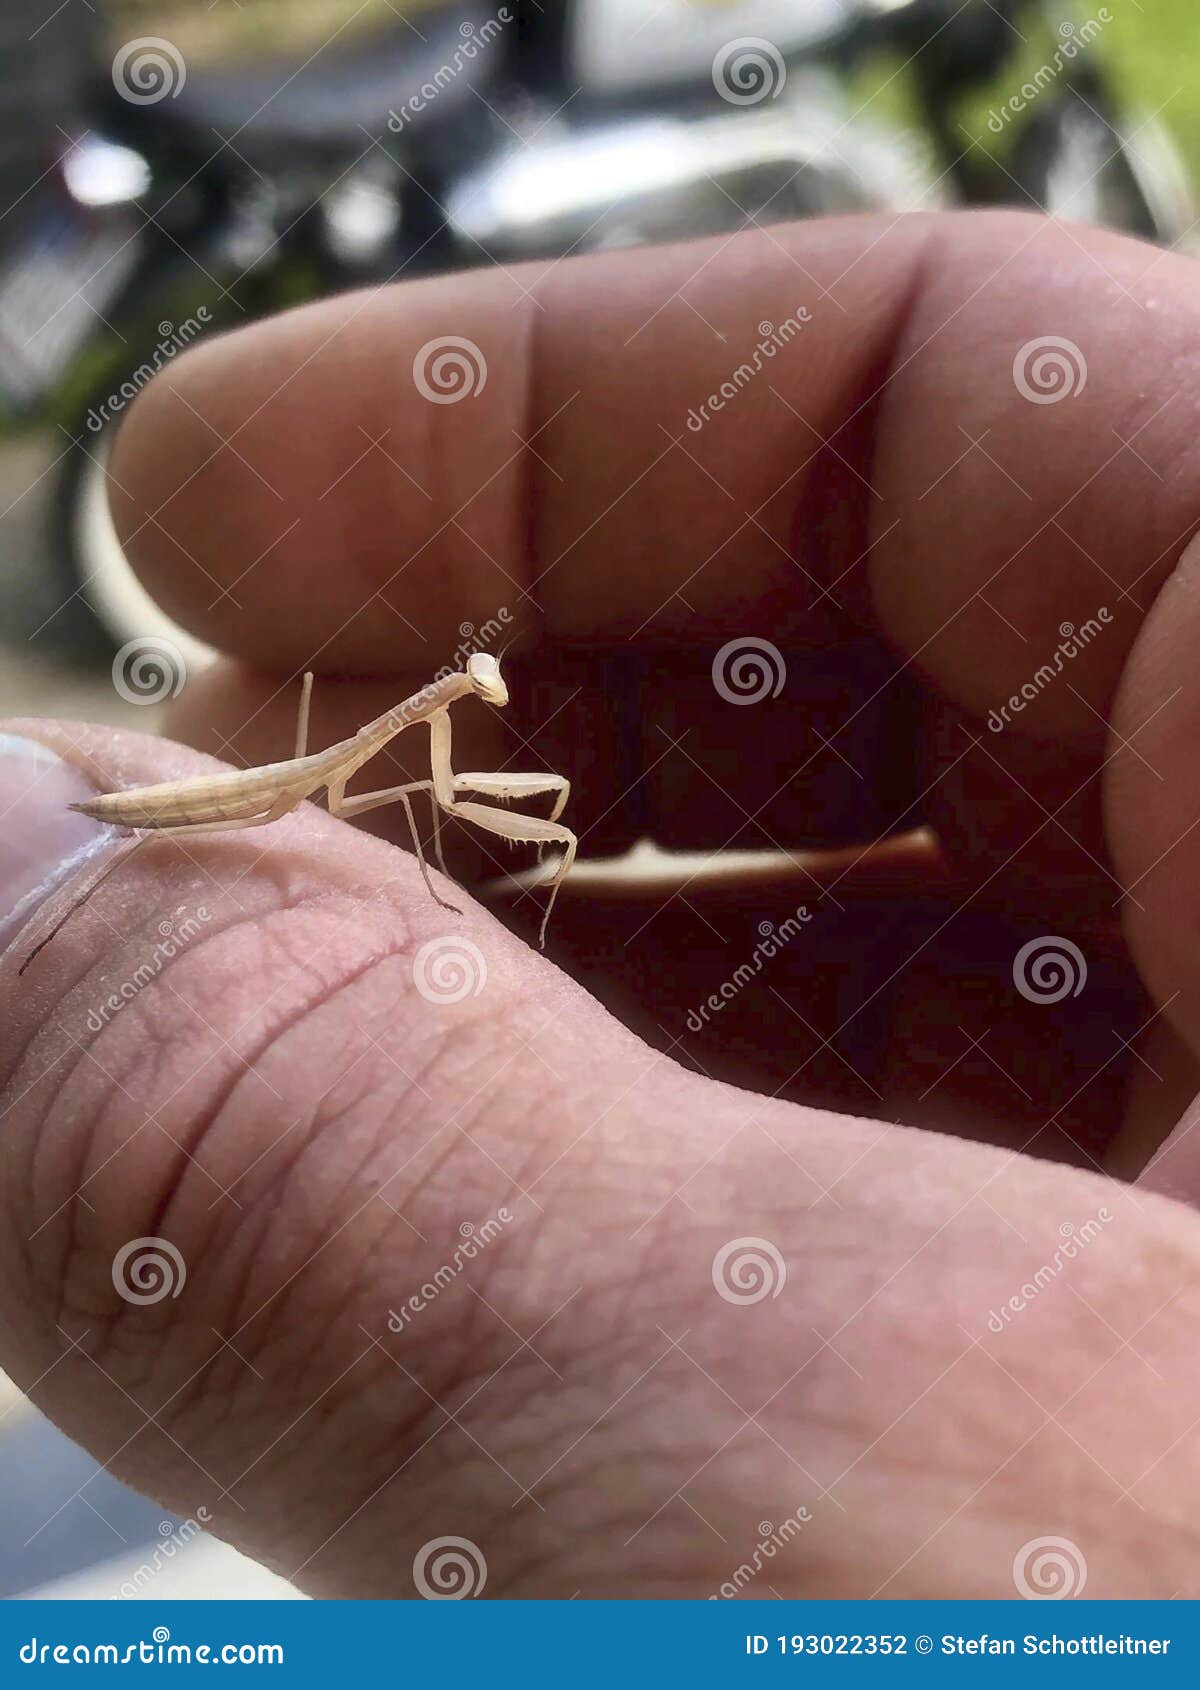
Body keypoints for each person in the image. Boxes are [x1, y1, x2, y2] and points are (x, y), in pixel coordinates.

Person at [1, 211, 1198, 1599]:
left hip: (256, 800)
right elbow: (353, 786)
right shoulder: (383, 733)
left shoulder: (427, 737)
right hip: (188, 817)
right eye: (483, 688)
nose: (489, 698)